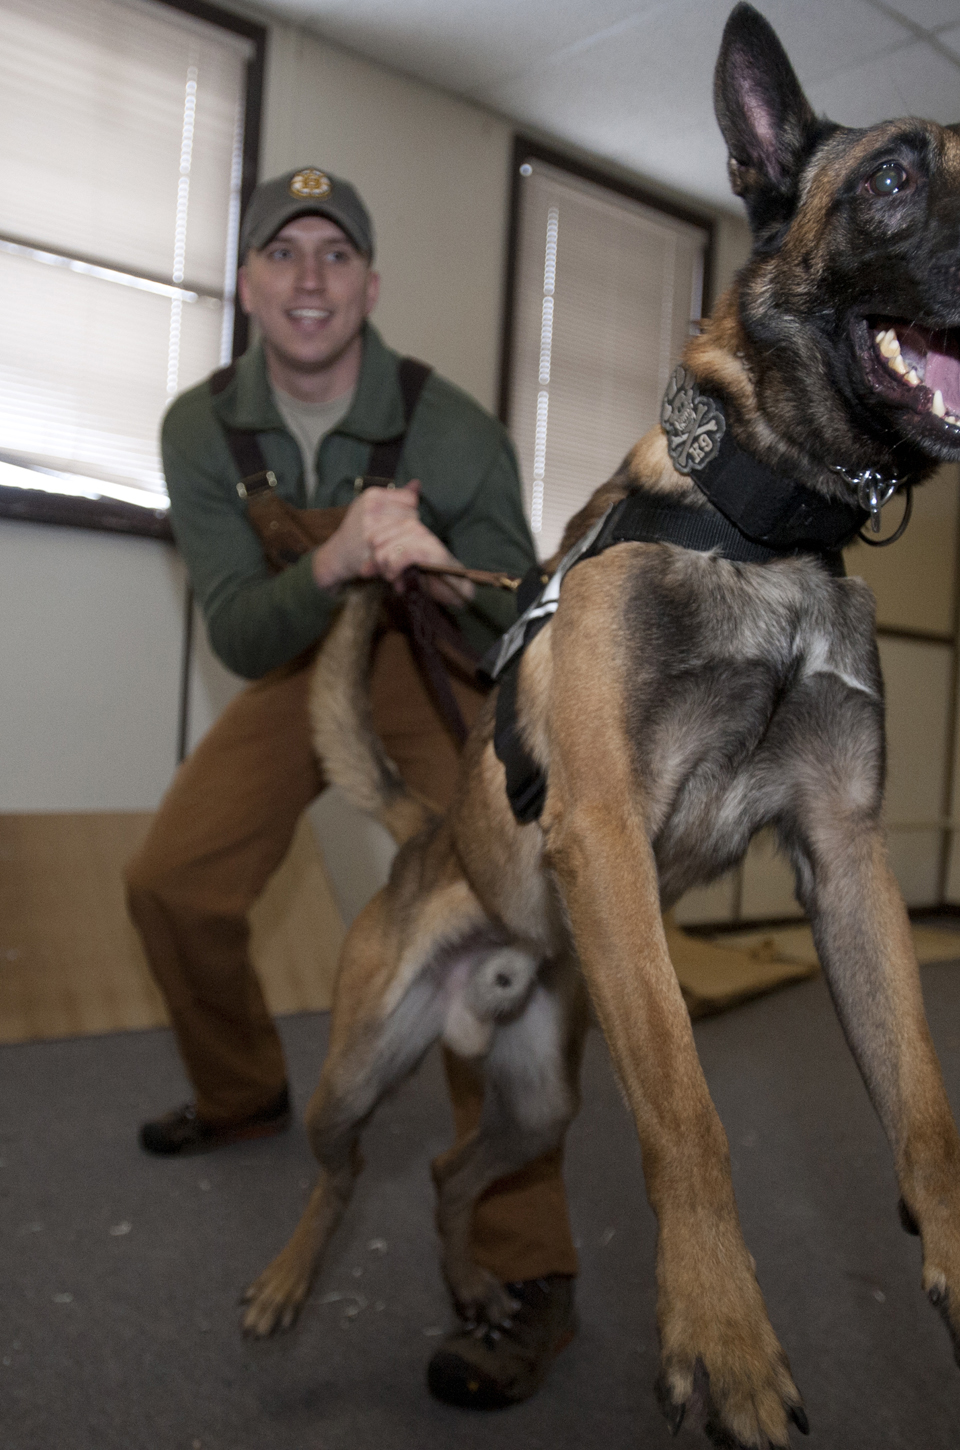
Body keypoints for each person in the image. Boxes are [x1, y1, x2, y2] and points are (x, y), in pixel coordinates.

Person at [124, 167, 577, 1409]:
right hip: (307, 656)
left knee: (501, 932)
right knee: (169, 881)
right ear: (248, 283)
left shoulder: (453, 428)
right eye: (284, 253)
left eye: (335, 254)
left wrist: (439, 573)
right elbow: (239, 632)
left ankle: (529, 1271)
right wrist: (333, 553)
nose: (309, 276)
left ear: (371, 287)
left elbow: (524, 629)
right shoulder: (200, 429)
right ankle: (243, 1092)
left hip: (441, 669)